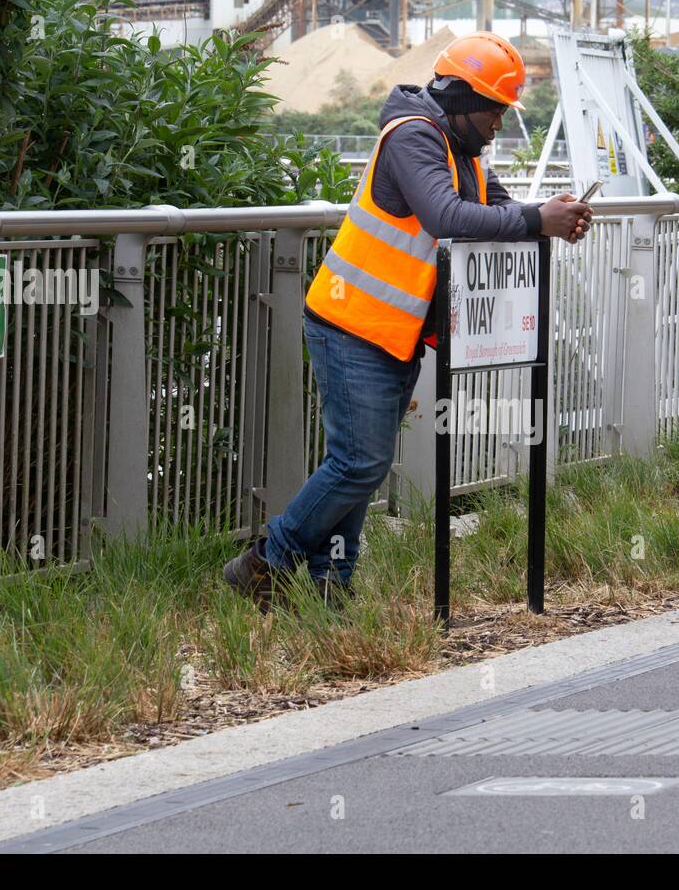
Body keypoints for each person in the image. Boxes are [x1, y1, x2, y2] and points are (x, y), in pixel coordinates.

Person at [225, 31, 593, 612]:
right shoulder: (414, 137)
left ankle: (329, 590)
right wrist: (534, 219)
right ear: (463, 98)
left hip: (391, 331)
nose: (500, 121)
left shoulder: (462, 151)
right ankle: (268, 559)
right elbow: (445, 215)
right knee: (359, 461)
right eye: (496, 107)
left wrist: (550, 215)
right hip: (351, 323)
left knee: (359, 467)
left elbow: (495, 210)